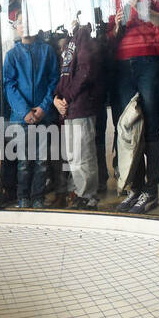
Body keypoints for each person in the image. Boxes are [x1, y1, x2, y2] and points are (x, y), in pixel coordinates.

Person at [112, 0, 159, 214]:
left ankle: (151, 189)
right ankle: (134, 188)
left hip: (149, 60)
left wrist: (138, 4)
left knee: (150, 126)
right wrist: (117, 25)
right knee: (128, 126)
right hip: (123, 65)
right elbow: (111, 35)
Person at [1, 19, 58, 209]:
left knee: (42, 161)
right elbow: (9, 85)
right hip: (21, 118)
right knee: (24, 161)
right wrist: (24, 111)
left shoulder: (47, 51)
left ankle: (38, 197)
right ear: (16, 27)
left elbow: (53, 80)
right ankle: (23, 196)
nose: (25, 25)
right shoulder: (11, 55)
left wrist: (43, 107)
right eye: (20, 22)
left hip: (44, 115)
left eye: (28, 20)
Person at [53, 21, 101, 210]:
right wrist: (56, 98)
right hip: (69, 108)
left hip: (81, 106)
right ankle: (80, 194)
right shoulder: (70, 40)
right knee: (73, 156)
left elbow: (85, 70)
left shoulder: (83, 35)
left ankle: (89, 197)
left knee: (84, 155)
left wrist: (67, 96)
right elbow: (63, 76)